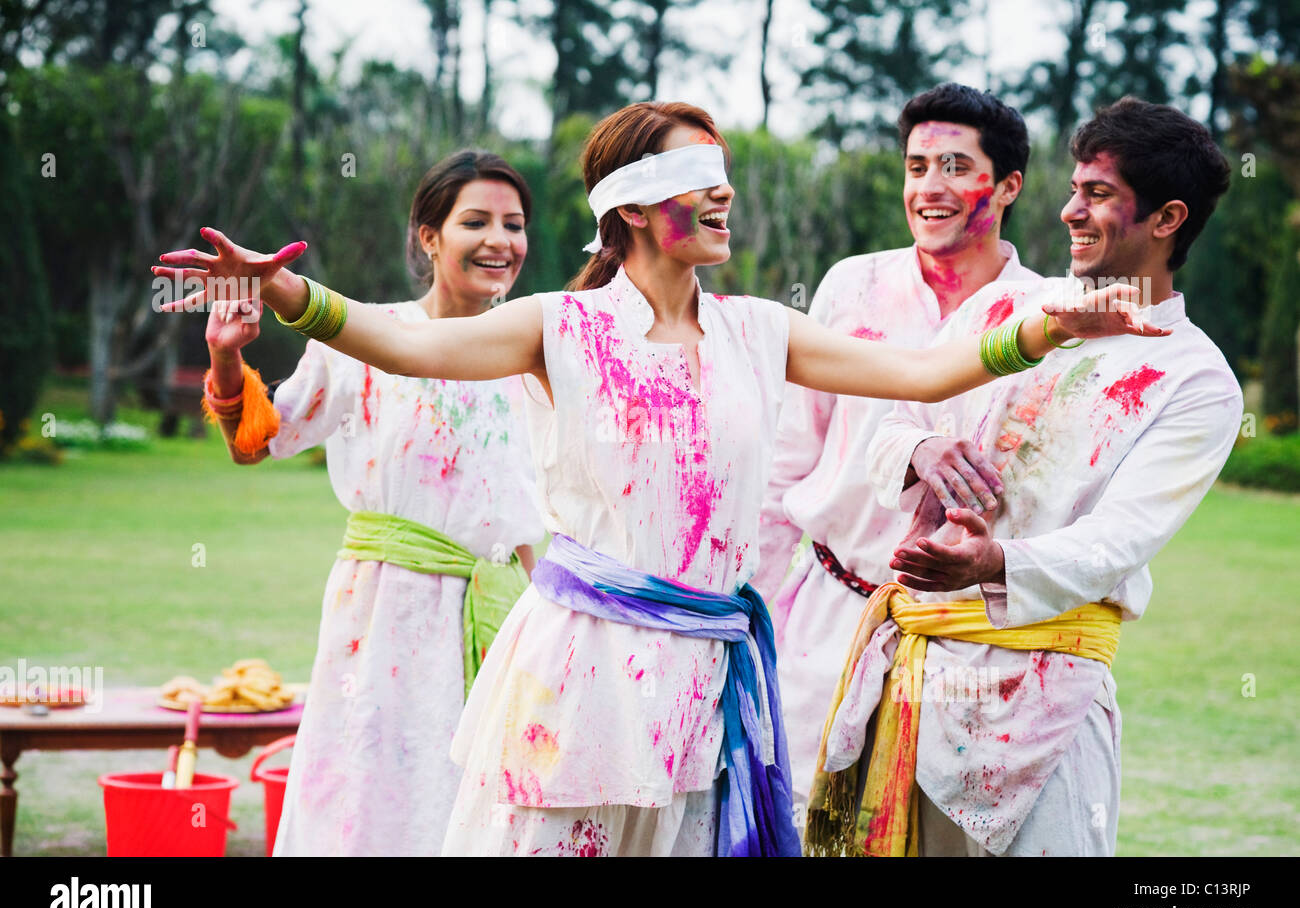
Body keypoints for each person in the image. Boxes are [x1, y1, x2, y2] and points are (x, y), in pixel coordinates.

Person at [154, 101, 1163, 857]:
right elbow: (402, 345)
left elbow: (919, 371)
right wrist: (287, 289)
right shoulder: (563, 324)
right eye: (696, 175)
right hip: (580, 665)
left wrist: (1043, 325)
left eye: (723, 173)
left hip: (705, 673)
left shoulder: (756, 331)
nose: (723, 193)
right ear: (628, 206)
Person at [805, 97, 1241, 857]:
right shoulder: (1011, 307)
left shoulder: (1198, 380)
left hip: (1048, 705)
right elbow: (892, 424)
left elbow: (1117, 542)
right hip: (914, 685)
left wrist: (991, 562)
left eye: (1099, 194)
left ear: (1167, 218)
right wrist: (919, 451)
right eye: (1075, 189)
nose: (1071, 210)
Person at [197, 150, 545, 856]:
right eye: (475, 220)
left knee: (486, 810)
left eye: (514, 223)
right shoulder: (363, 334)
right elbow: (257, 440)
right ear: (428, 236)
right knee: (371, 799)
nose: (499, 240)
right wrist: (228, 359)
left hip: (506, 621)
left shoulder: (537, 354)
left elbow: (535, 509)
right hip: (386, 615)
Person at [754, 84, 1042, 807]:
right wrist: (747, 618)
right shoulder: (852, 286)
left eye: (954, 165)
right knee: (798, 826)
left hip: (968, 640)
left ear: (1007, 185)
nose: (929, 187)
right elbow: (785, 460)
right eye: (916, 167)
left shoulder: (1043, 317)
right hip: (828, 614)